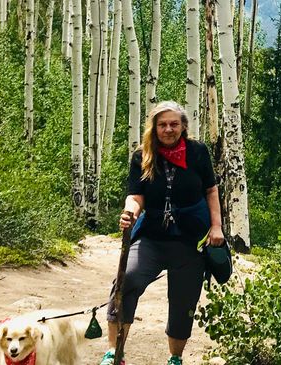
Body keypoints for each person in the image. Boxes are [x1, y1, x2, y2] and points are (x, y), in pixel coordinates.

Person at [99, 101, 224, 365]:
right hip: (152, 237)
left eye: (174, 124)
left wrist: (217, 227)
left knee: (183, 300)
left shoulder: (198, 152)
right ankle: (115, 353)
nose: (168, 129)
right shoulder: (142, 155)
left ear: (183, 126)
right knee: (128, 278)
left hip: (191, 240)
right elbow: (136, 196)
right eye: (162, 124)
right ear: (154, 128)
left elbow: (211, 191)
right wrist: (130, 211)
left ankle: (175, 358)